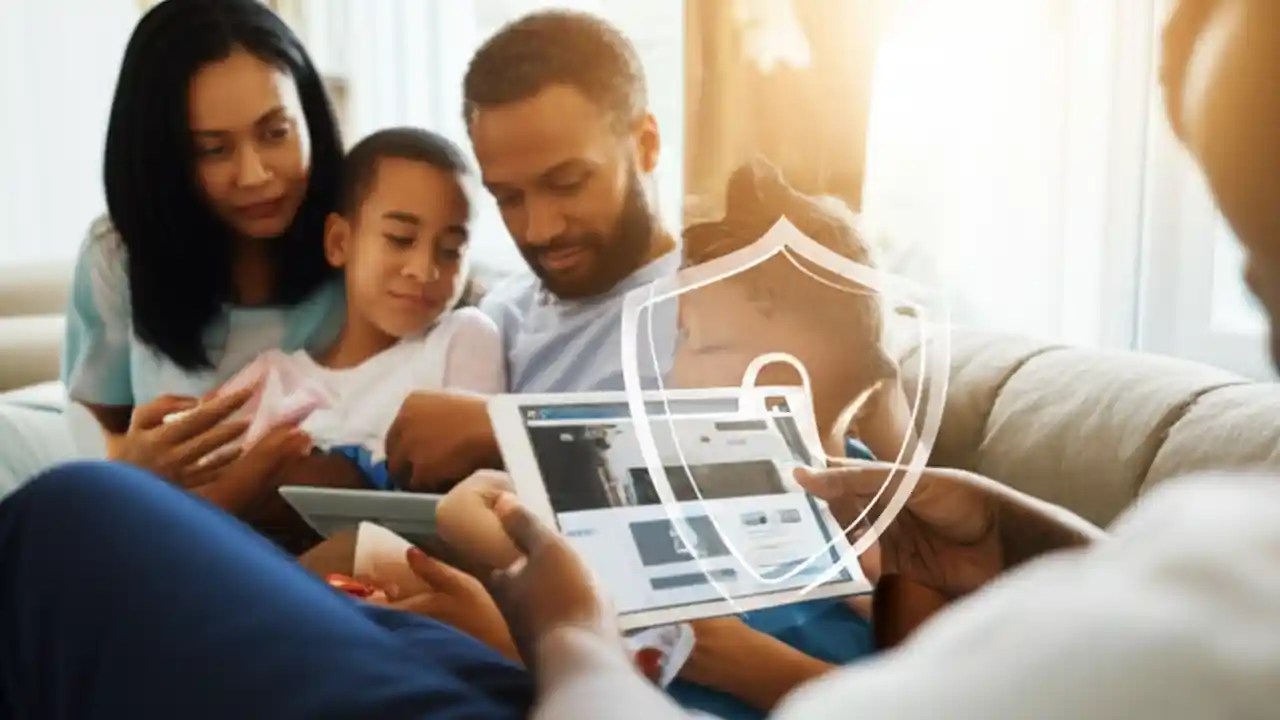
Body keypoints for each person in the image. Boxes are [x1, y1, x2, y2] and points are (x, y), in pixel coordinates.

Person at [430, 158, 919, 717]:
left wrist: (731, 656)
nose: (676, 370)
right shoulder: (673, 476)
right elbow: (461, 509)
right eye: (681, 338)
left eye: (704, 344)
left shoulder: (898, 529)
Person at [59, 0, 347, 509]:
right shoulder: (118, 256)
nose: (255, 175)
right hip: (175, 536)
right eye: (213, 149)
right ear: (163, 158)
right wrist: (128, 466)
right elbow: (92, 424)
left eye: (275, 132)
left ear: (310, 117)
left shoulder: (364, 235)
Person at [384, 10, 680, 491]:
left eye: (567, 183)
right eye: (509, 198)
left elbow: (733, 458)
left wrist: (506, 429)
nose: (540, 230)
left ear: (645, 146)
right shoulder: (497, 315)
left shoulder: (715, 310)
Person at [208, 127, 503, 541]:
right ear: (339, 241)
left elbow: (471, 488)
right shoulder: (271, 378)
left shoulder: (461, 337)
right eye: (400, 239)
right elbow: (185, 503)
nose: (424, 269)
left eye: (451, 249)